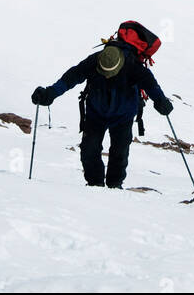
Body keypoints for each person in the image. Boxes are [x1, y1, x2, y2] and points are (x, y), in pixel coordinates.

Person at [32, 37, 173, 188]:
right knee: (89, 150)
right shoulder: (94, 61)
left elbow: (151, 85)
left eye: (109, 73)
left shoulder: (133, 66)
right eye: (102, 72)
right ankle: (94, 184)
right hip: (96, 113)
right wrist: (50, 93)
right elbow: (71, 77)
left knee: (119, 152)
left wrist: (160, 100)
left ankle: (115, 185)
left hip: (123, 115)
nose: (105, 75)